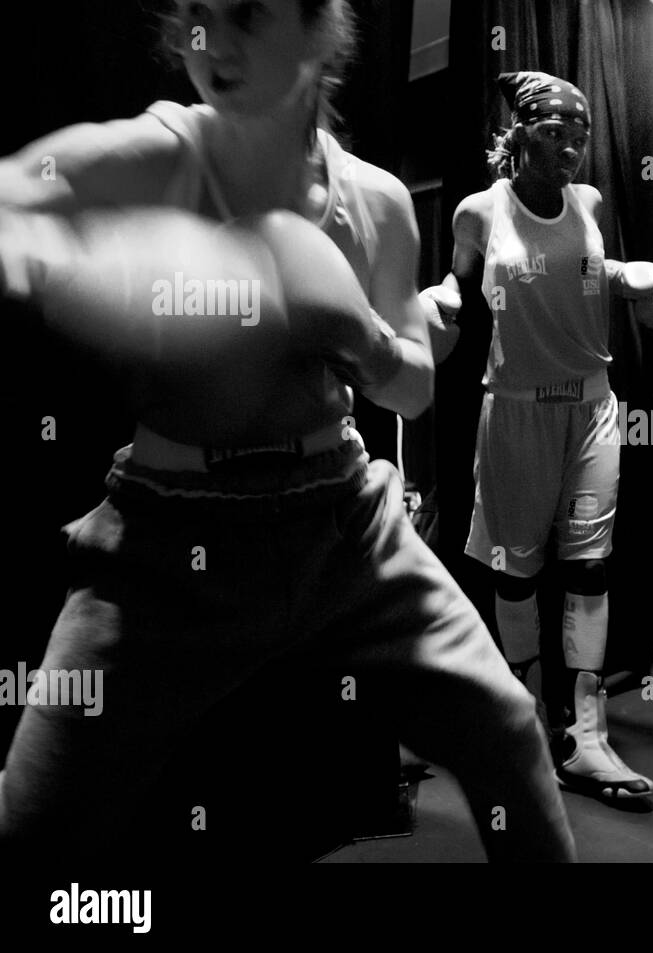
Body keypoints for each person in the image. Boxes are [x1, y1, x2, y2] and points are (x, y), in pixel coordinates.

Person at [0, 0, 574, 861]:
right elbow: (13, 192)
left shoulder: (376, 201)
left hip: (345, 525)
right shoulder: (168, 147)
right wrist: (95, 274)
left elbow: (414, 389)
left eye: (243, 15)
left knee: (508, 732)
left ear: (319, 30)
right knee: (33, 823)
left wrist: (348, 326)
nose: (210, 43)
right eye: (195, 17)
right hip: (167, 538)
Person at [423, 71, 653, 801]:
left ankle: (589, 732)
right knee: (515, 569)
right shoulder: (479, 211)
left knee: (589, 564)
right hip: (514, 407)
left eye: (581, 136)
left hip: (592, 406)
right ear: (521, 136)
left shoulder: (590, 203)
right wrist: (439, 302)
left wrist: (636, 277)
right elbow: (460, 286)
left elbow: (601, 269)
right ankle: (528, 713)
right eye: (554, 134)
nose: (570, 149)